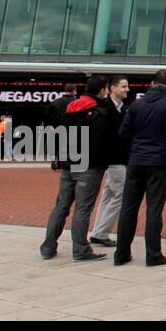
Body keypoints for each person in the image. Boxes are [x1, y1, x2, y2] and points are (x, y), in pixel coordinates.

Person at [115, 69, 166, 267]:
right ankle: (153, 254)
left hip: (137, 160)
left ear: (152, 83)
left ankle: (121, 253)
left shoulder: (137, 104)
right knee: (154, 208)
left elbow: (123, 133)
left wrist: (134, 150)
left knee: (128, 207)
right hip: (160, 161)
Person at [40, 76, 115, 261]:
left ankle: (48, 246)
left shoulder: (70, 107)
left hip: (68, 163)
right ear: (102, 90)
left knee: (61, 206)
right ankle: (81, 249)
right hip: (89, 166)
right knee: (83, 208)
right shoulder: (99, 111)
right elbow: (100, 142)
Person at [89, 75, 131, 248]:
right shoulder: (105, 107)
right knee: (119, 194)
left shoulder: (123, 108)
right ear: (112, 88)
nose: (127, 89)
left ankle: (98, 231)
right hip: (114, 159)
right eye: (123, 86)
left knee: (108, 194)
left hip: (117, 158)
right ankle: (101, 232)